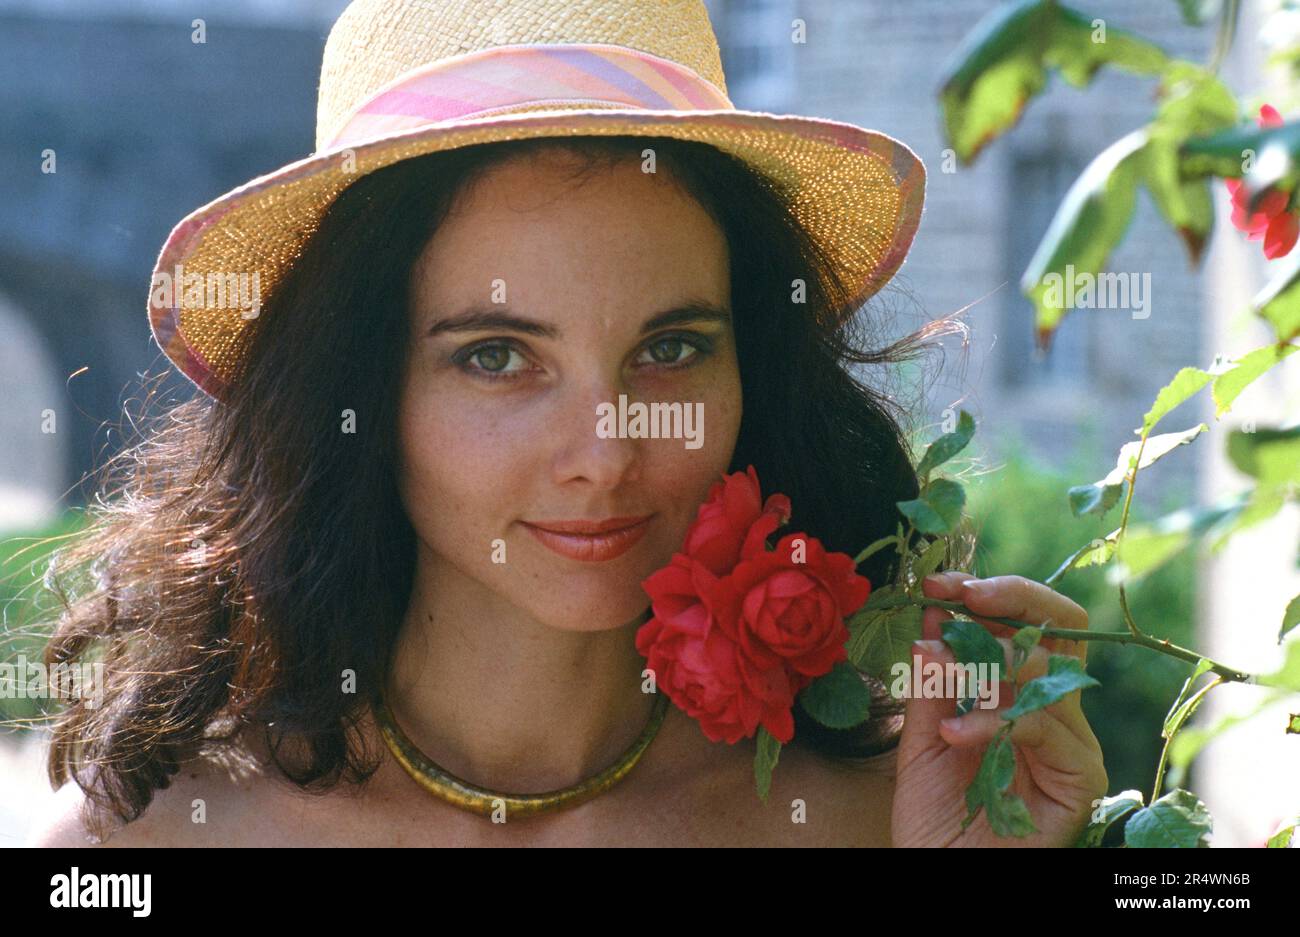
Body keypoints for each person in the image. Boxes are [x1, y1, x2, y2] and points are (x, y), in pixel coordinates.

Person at [26, 0, 1105, 847]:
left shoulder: (898, 818)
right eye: (496, 357)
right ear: (360, 387)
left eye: (671, 348)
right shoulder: (149, 844)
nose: (605, 451)